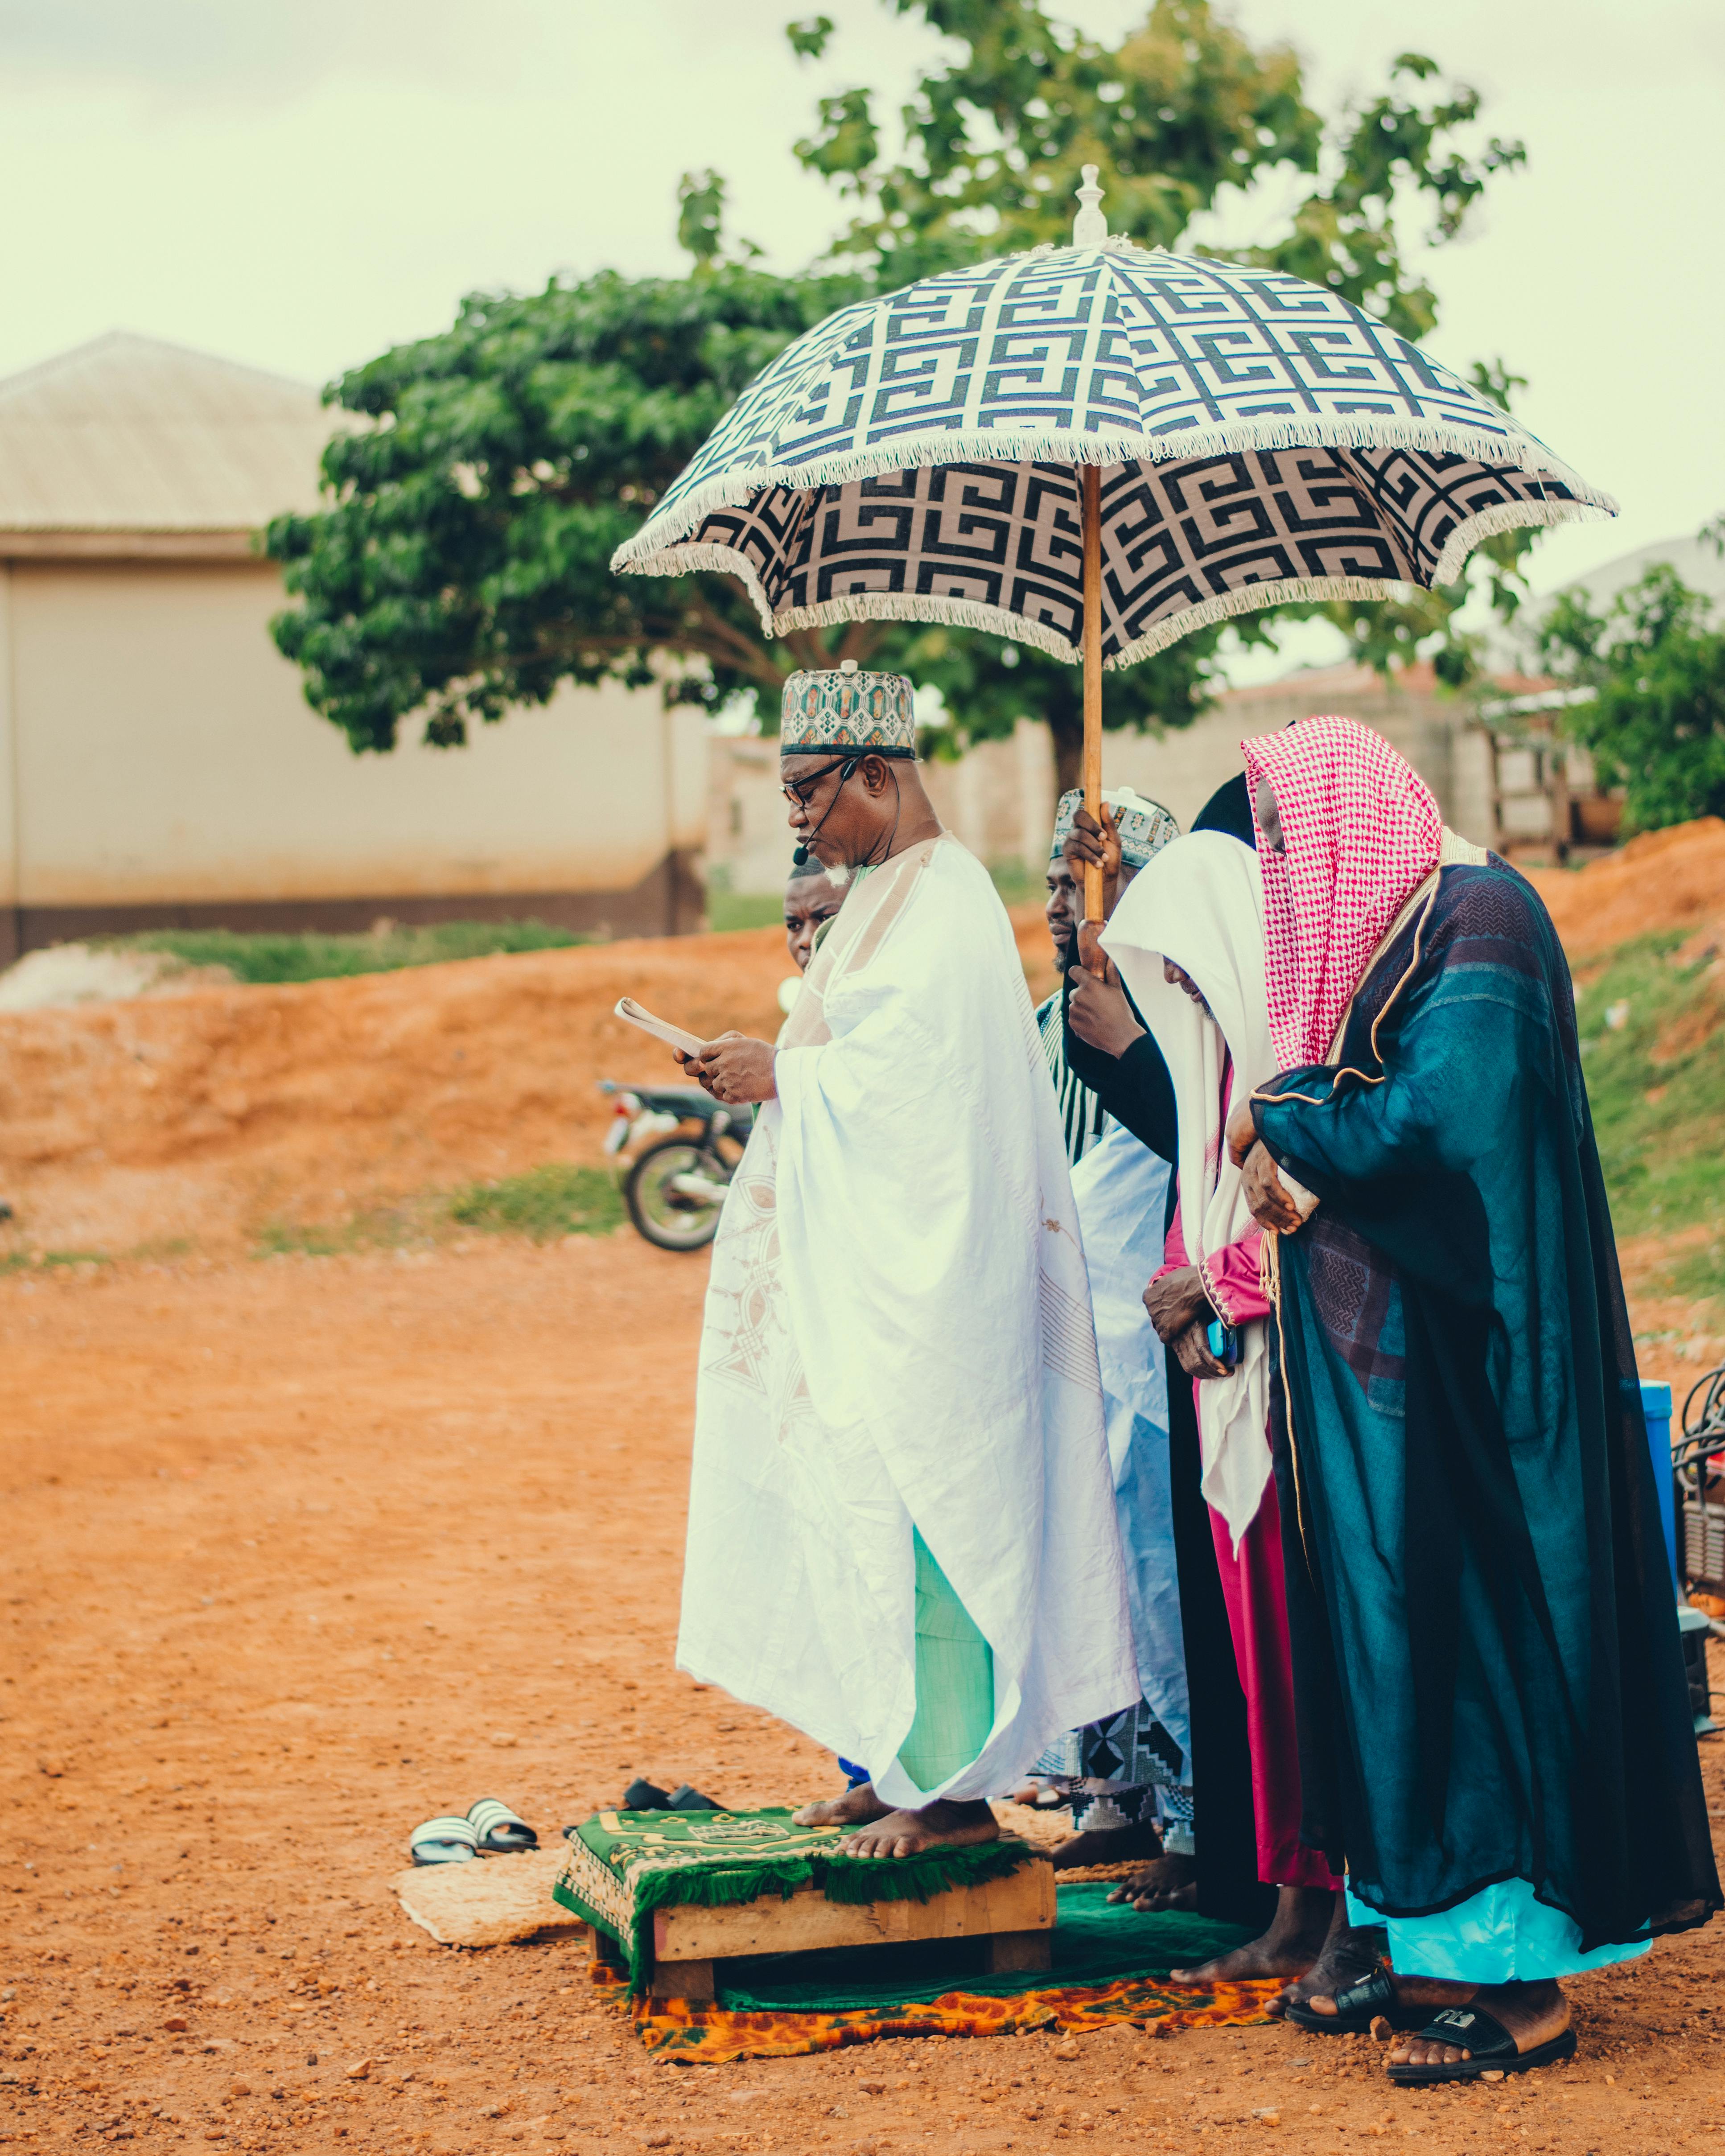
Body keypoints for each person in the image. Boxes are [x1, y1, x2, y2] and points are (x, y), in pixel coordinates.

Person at [1224, 714, 1720, 2080]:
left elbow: (1442, 1124)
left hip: (1490, 1388)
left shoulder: (1483, 919)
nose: (1280, 864)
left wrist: (1289, 1121)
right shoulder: (1416, 927)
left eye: (1286, 833)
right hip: (1422, 1382)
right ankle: (1443, 1948)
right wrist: (1302, 1117)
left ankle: (1523, 1997)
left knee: (1485, 1645)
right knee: (1416, 1649)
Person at [672, 661, 1139, 1860]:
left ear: (874, 777)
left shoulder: (943, 902)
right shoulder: (885, 890)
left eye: (806, 796)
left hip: (938, 1292)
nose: (797, 821)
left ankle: (951, 1794)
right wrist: (775, 1060)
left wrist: (784, 1073)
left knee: (939, 1519)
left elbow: (922, 1094)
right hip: (880, 1276)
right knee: (872, 1515)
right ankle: (899, 1764)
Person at [1101, 831, 1345, 1991]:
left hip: (1292, 1397)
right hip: (1221, 1391)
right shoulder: (1206, 1072)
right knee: (1257, 1665)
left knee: (1308, 1661)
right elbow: (1193, 1209)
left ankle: (1334, 1907)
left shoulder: (1288, 1058)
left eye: (1195, 963)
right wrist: (1178, 1288)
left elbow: (1305, 1209)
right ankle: (1293, 1903)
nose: (1184, 989)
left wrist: (1212, 1283)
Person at [1060, 788, 1277, 1933]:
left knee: (1205, 1594)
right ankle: (1197, 1829)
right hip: (1164, 1334)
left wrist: (1132, 1051)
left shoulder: (1248, 1004)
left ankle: (1236, 1851)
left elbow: (1227, 1155)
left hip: (1239, 1342)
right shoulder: (1078, 1012)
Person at [1025, 790, 1196, 1880]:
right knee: (1092, 1551)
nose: (1060, 907)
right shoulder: (1045, 1028)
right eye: (1053, 885)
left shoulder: (1182, 1014)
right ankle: (1117, 1794)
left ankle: (1196, 1812)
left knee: (1158, 1559)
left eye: (1089, 882)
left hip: (1161, 1334)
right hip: (1073, 1334)